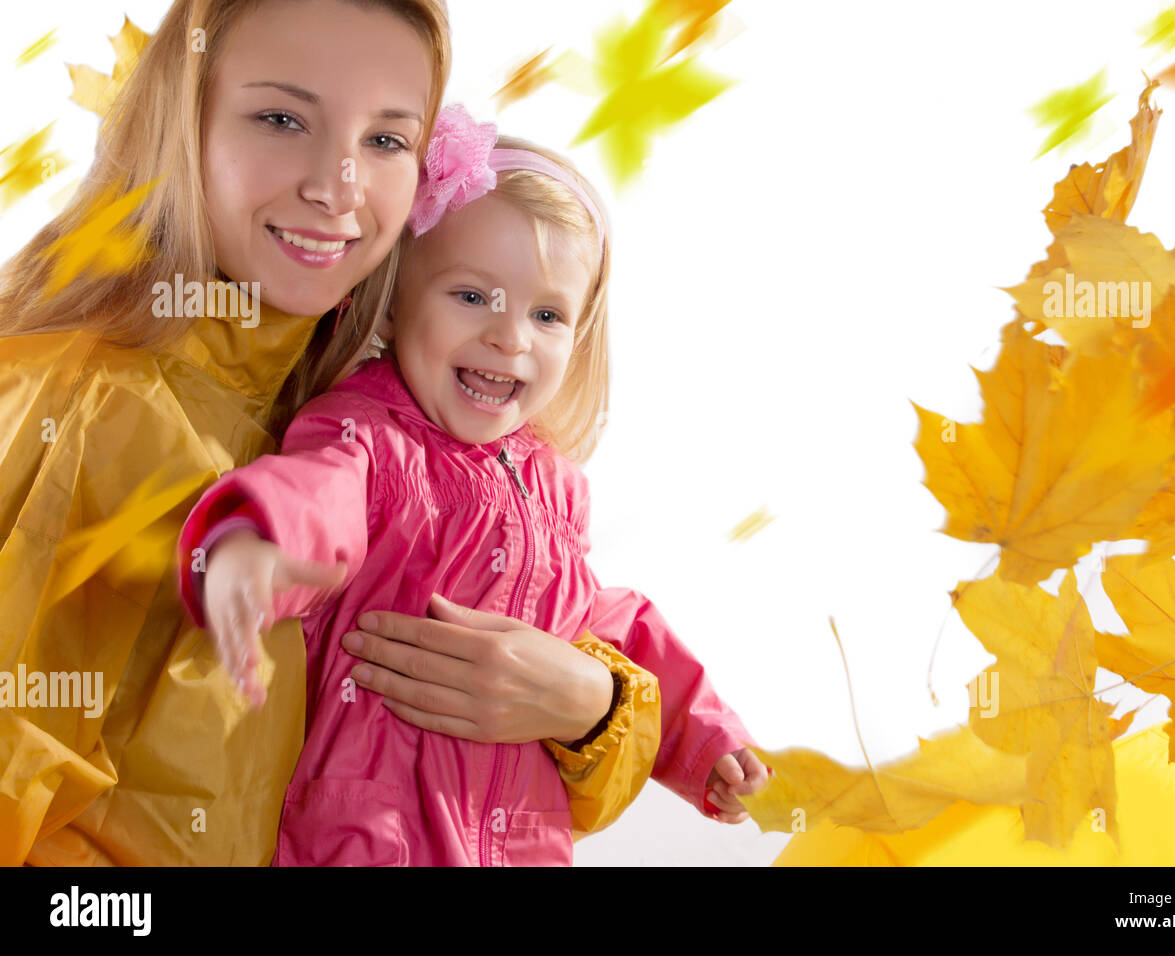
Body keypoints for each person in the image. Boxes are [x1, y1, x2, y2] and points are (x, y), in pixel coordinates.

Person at [0, 0, 657, 866]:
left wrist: (591, 706)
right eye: (281, 118)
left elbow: (496, 767)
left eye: (386, 140)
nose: (336, 185)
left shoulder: (370, 416)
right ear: (182, 122)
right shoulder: (97, 407)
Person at [176, 105, 769, 865]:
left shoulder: (555, 489)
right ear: (393, 301)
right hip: (366, 841)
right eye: (471, 296)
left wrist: (706, 738)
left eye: (547, 314)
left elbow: (615, 625)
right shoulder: (368, 434)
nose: (510, 335)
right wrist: (256, 546)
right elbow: (318, 499)